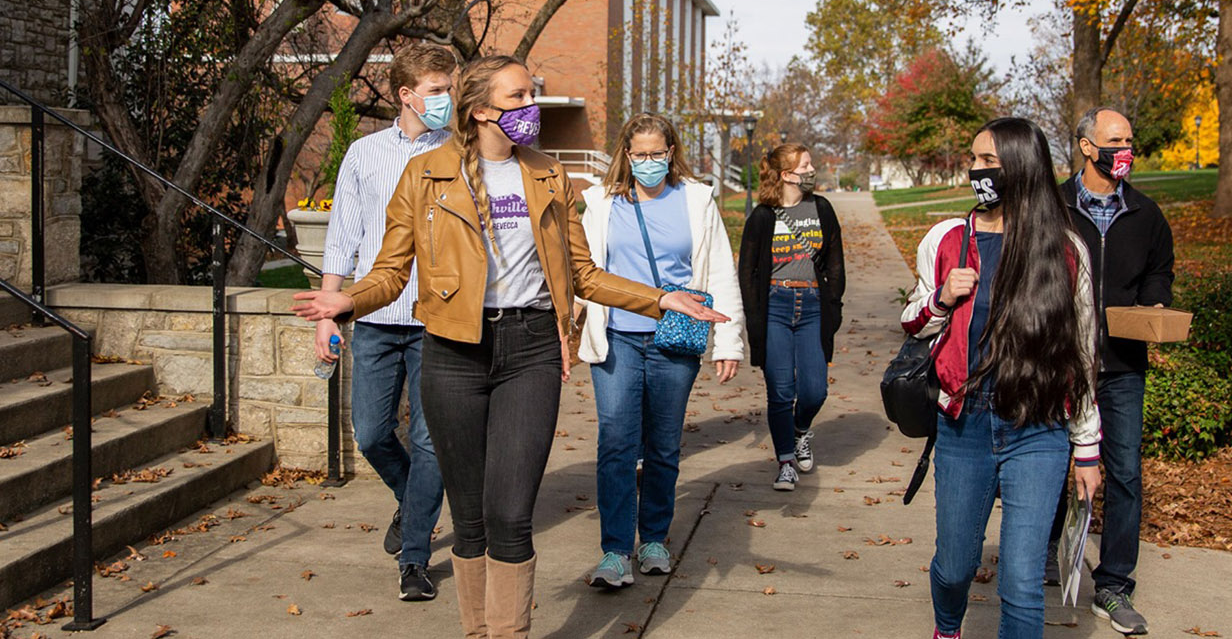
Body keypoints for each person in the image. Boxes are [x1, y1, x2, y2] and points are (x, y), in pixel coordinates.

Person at [292, 55, 727, 639]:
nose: (531, 107)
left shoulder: (549, 175)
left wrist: (660, 299)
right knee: (470, 516)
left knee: (511, 513)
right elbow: (392, 272)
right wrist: (348, 300)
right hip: (452, 351)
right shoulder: (425, 174)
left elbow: (583, 272)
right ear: (480, 111)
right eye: (518, 97)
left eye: (531, 95)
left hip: (530, 350)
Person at [900, 117, 1102, 639]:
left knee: (1022, 580)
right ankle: (948, 627)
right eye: (974, 159)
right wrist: (941, 298)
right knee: (954, 567)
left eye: (988, 161)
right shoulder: (947, 239)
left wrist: (1087, 447)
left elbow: (1082, 353)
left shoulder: (1065, 250)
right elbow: (912, 322)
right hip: (964, 422)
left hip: (1038, 427)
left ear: (1021, 166)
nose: (977, 170)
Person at [577, 112, 745, 589]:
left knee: (663, 444)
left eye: (657, 153)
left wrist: (729, 342)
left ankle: (653, 539)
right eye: (640, 154)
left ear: (671, 153)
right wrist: (563, 330)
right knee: (616, 442)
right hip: (617, 337)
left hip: (676, 338)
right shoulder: (602, 202)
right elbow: (584, 272)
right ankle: (615, 551)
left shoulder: (696, 199)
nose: (648, 162)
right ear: (626, 155)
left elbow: (719, 272)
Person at [314, 43, 455, 601]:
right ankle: (411, 500)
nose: (447, 99)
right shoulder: (364, 154)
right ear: (406, 94)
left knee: (429, 441)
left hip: (437, 321)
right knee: (371, 432)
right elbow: (341, 238)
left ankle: (415, 559)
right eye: (437, 90)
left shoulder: (459, 154)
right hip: (374, 315)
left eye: (450, 88)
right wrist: (327, 313)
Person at [1047, 107, 1174, 636]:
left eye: (1129, 141)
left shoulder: (1146, 214)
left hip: (1122, 366)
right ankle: (1044, 555)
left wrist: (1155, 304)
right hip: (1059, 364)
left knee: (1125, 472)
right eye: (1115, 141)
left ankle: (1115, 584)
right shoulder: (1053, 206)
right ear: (1086, 146)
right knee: (1049, 463)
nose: (1125, 151)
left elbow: (1159, 272)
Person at [737, 143, 845, 492]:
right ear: (786, 175)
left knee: (815, 391)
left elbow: (835, 262)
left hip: (812, 306)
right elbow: (747, 272)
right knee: (780, 390)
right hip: (775, 307)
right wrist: (754, 318)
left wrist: (833, 306)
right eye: (806, 166)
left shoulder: (821, 208)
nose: (812, 171)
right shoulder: (762, 217)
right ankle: (785, 462)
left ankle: (800, 430)